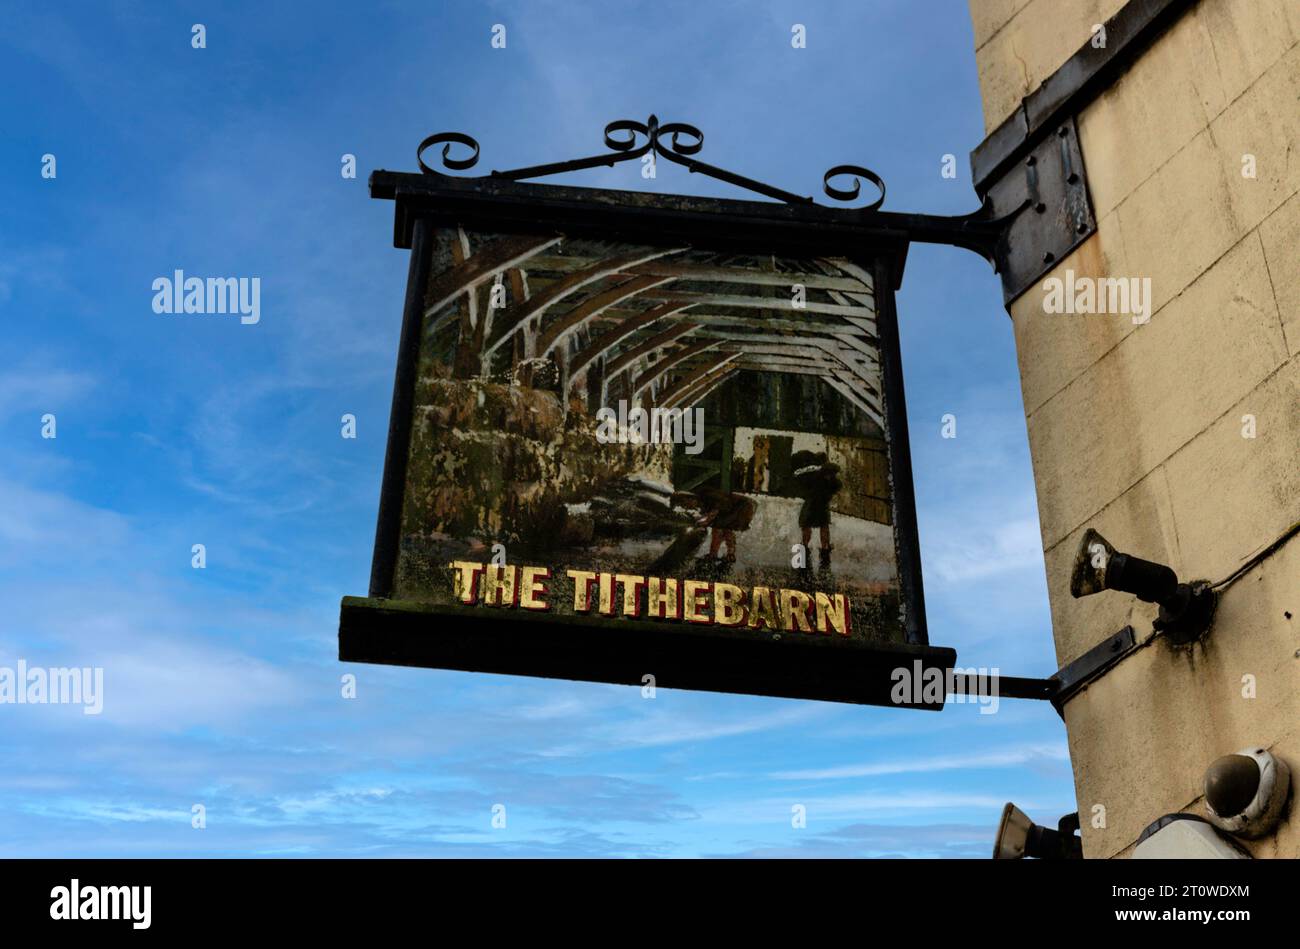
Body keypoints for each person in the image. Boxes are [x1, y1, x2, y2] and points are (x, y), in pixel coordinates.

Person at [790, 450, 841, 573]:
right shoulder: (816, 473)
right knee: (816, 530)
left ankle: (815, 559)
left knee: (813, 530)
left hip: (815, 504)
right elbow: (836, 486)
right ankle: (821, 560)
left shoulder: (812, 473)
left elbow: (836, 486)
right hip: (816, 504)